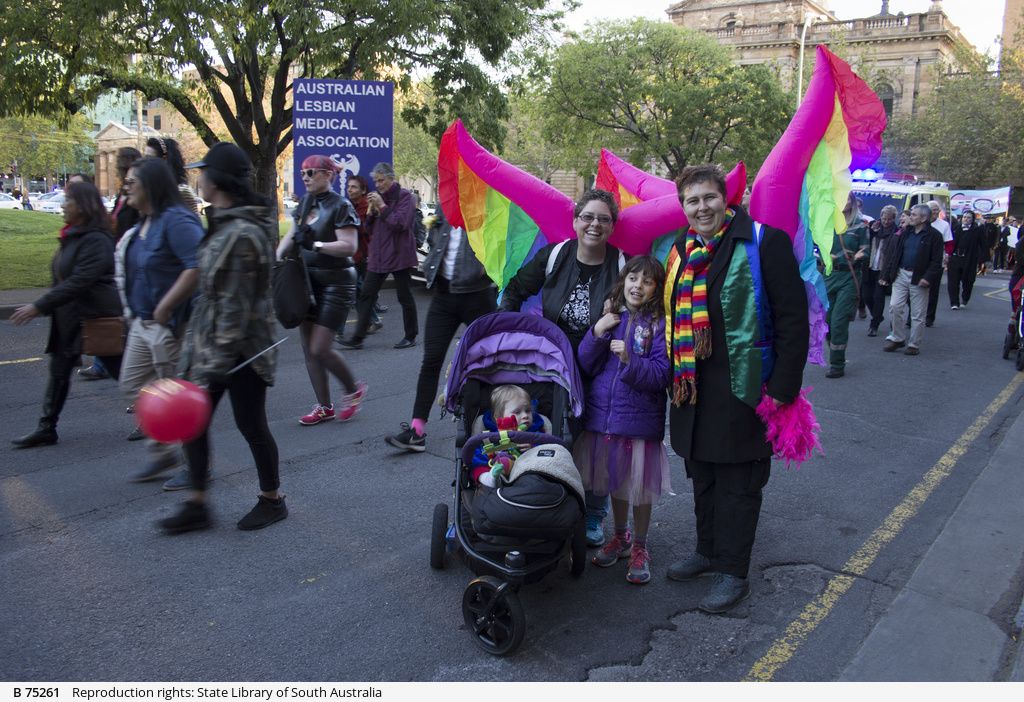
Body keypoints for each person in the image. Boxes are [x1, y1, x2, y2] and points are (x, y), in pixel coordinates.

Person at [665, 164, 808, 614]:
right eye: (692, 200)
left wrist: (783, 386)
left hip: (745, 385)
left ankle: (733, 571)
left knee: (739, 483)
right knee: (702, 476)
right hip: (693, 388)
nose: (701, 207)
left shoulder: (764, 241)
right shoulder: (680, 248)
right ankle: (707, 552)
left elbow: (792, 319)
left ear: (726, 199)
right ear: (683, 206)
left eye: (709, 197)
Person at [158, 143, 285, 534]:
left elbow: (235, 310)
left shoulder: (243, 233)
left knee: (251, 424)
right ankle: (197, 503)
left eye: (203, 172)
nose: (197, 178)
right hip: (214, 344)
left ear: (218, 179)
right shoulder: (225, 222)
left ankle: (272, 500)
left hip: (242, 350)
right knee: (192, 422)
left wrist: (210, 369)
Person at [499, 189, 628, 547]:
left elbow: (640, 306)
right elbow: (516, 289)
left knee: (596, 437)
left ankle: (593, 515)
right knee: (555, 428)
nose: (594, 225)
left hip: (601, 359)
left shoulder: (622, 264)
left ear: (612, 226)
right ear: (575, 221)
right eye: (587, 216)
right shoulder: (555, 255)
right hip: (554, 357)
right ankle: (545, 498)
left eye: (603, 219)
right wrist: (507, 327)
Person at [574, 256, 671, 585]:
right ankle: (621, 536)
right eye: (633, 278)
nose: (638, 286)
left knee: (640, 486)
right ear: (623, 280)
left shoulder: (658, 324)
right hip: (605, 418)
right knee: (616, 482)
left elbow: (661, 374)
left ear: (656, 290)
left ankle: (641, 546)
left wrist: (630, 361)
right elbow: (586, 364)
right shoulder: (611, 317)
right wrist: (597, 331)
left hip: (639, 421)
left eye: (647, 281)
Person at [10, 182, 124, 447]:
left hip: (96, 318)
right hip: (70, 318)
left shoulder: (98, 239)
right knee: (59, 370)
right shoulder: (73, 235)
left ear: (82, 206)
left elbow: (79, 281)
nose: (62, 205)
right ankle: (46, 427)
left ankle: (162, 415)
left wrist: (39, 306)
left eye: (68, 200)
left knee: (124, 374)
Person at [116, 157, 204, 484]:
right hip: (142, 324)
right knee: (132, 386)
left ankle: (197, 466)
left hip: (171, 324)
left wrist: (166, 307)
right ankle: (163, 450)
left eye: (131, 182)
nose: (125, 187)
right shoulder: (144, 222)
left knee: (178, 398)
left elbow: (196, 267)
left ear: (151, 185)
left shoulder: (177, 220)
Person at [385, 203, 496, 452]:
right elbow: (436, 238)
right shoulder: (445, 205)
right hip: (443, 296)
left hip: (477, 296)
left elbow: (502, 242)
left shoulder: (486, 206)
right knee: (432, 359)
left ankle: (497, 423)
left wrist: (487, 265)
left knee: (492, 361)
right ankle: (417, 431)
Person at [276, 155, 366, 426]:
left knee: (320, 347)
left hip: (337, 282)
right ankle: (324, 406)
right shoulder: (305, 203)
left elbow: (349, 246)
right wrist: (276, 259)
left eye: (312, 172)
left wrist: (315, 245)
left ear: (328, 175)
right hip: (307, 280)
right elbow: (292, 234)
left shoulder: (341, 205)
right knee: (307, 348)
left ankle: (353, 389)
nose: (305, 177)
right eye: (303, 172)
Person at [338, 162, 419, 350]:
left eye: (381, 180)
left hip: (399, 255)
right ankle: (358, 337)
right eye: (376, 181)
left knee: (405, 296)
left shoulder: (404, 197)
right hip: (380, 255)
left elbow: (401, 224)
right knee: (366, 295)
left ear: (392, 179)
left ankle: (410, 335)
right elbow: (369, 228)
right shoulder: (376, 198)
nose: (378, 184)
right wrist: (371, 214)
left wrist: (382, 207)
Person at [879, 204, 944, 355]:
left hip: (919, 276)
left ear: (924, 219)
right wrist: (887, 275)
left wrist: (927, 277)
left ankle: (914, 344)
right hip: (901, 273)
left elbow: (936, 261)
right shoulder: (906, 233)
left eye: (914, 215)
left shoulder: (934, 236)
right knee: (895, 306)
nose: (910, 217)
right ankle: (898, 338)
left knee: (917, 313)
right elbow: (896, 255)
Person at [823, 193, 869, 378]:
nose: (844, 202)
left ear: (853, 203)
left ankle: (837, 364)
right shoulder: (826, 223)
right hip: (829, 276)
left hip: (849, 276)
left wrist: (859, 255)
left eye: (847, 199)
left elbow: (865, 249)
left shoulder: (860, 224)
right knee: (826, 322)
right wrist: (824, 256)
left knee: (839, 321)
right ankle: (836, 351)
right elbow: (815, 247)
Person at [469, 385, 547, 487]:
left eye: (528, 410)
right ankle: (488, 479)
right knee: (475, 458)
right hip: (496, 466)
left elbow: (548, 449)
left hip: (527, 473)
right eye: (517, 412)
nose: (525, 416)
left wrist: (532, 449)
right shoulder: (492, 434)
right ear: (498, 416)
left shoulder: (535, 434)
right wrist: (493, 453)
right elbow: (481, 452)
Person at [336, 174, 381, 340]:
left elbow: (362, 229)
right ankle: (373, 319)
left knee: (351, 291)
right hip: (353, 256)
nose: (350, 190)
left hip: (363, 256)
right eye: (349, 187)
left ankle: (339, 331)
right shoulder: (350, 206)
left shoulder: (366, 206)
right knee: (355, 291)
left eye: (354, 187)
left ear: (363, 190)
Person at [865, 205, 898, 337]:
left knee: (878, 297)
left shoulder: (896, 232)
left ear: (894, 219)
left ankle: (874, 325)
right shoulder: (874, 226)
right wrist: (872, 231)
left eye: (889, 219)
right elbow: (866, 240)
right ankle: (877, 316)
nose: (886, 222)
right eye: (884, 218)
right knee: (866, 295)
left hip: (883, 268)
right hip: (870, 266)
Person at [947, 209, 988, 310]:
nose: (966, 219)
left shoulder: (977, 230)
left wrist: (986, 260)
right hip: (955, 258)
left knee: (968, 281)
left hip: (969, 259)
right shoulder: (955, 228)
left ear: (972, 219)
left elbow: (984, 244)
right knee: (953, 281)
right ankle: (954, 303)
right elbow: (948, 242)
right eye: (965, 217)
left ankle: (965, 299)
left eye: (969, 218)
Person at [145, 137, 199, 213]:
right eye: (144, 158)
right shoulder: (149, 189)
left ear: (164, 160)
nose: (145, 162)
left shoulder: (182, 191)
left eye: (149, 158)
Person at [925, 200, 952, 327]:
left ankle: (929, 317)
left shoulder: (944, 225)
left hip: (937, 263)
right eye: (933, 210)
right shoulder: (921, 222)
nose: (936, 212)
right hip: (921, 262)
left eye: (937, 210)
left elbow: (949, 243)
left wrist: (947, 255)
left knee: (933, 291)